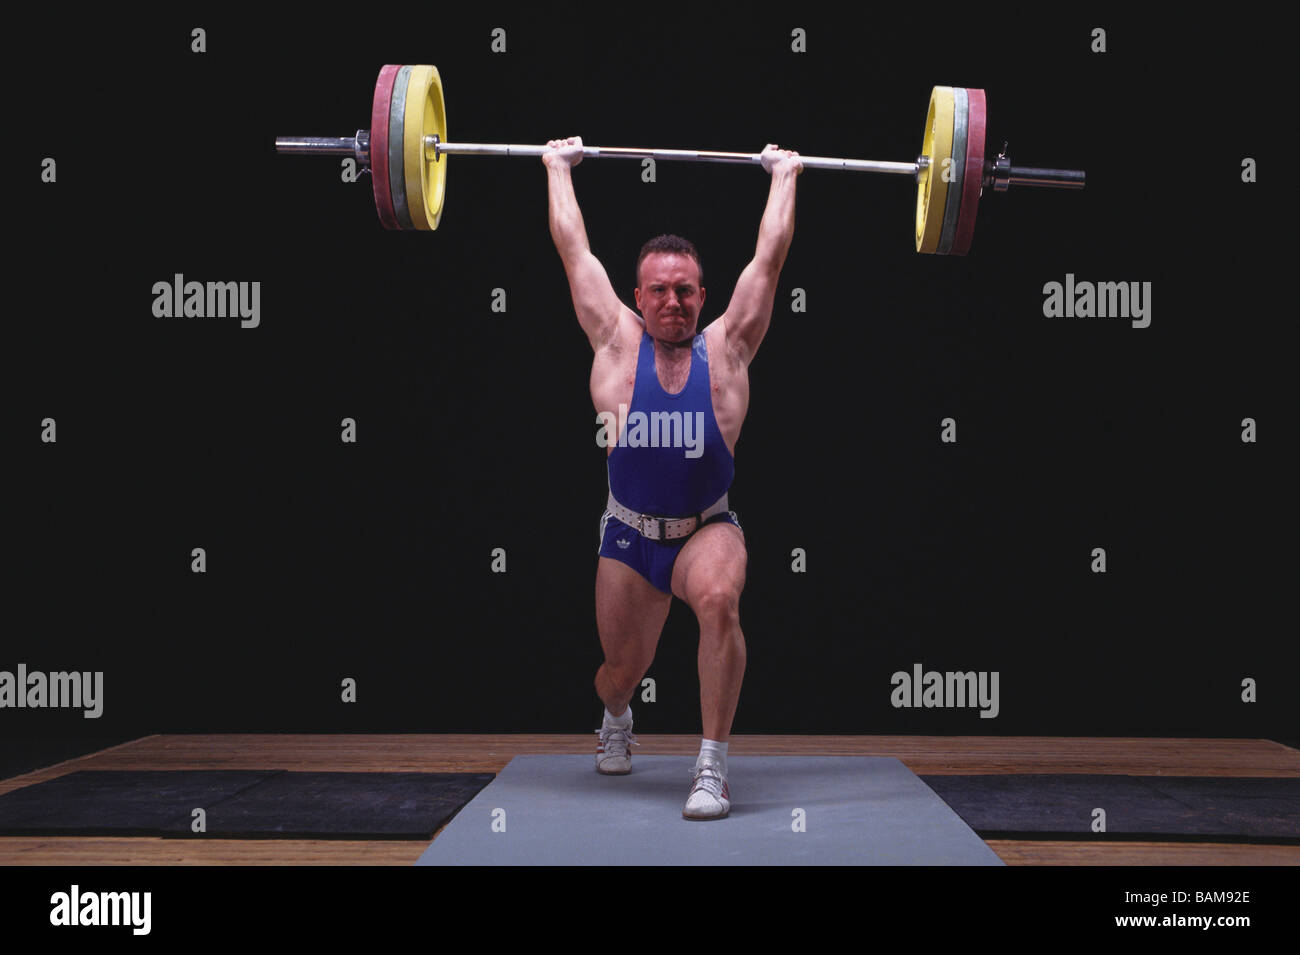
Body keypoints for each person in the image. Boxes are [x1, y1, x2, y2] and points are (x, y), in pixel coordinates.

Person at [543, 136, 801, 819]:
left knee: (720, 598)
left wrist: (786, 174)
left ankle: (711, 767)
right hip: (628, 536)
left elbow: (769, 257)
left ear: (702, 294)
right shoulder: (614, 342)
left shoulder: (731, 347)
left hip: (705, 529)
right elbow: (575, 249)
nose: (673, 301)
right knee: (620, 672)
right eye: (659, 290)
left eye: (685, 290)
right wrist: (555, 168)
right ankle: (617, 714)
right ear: (638, 296)